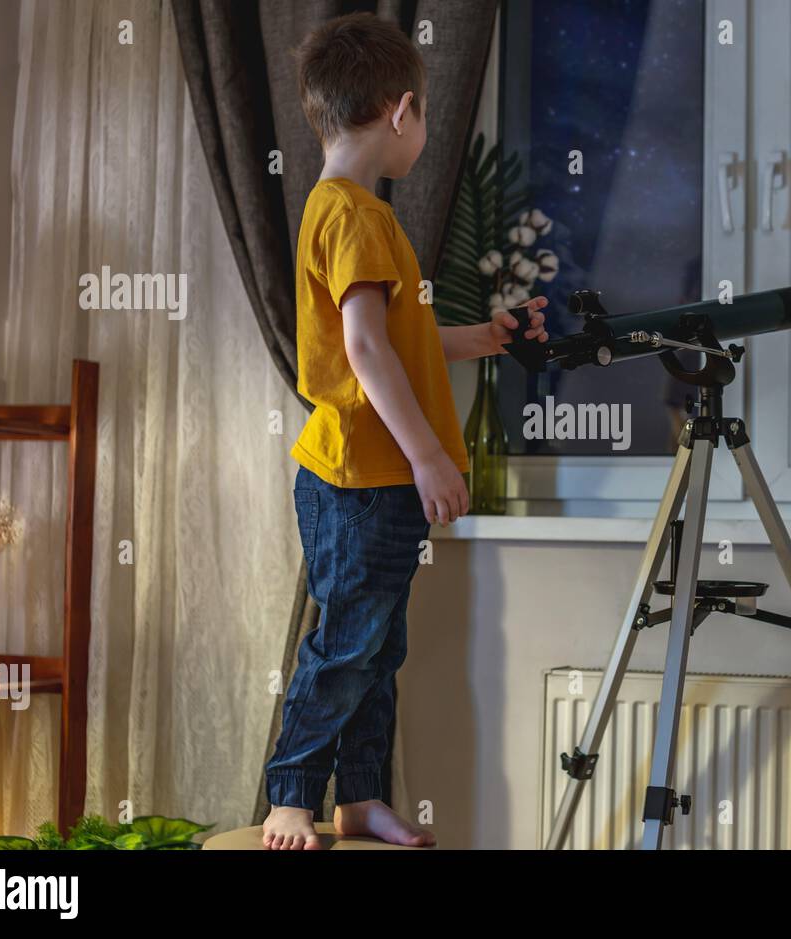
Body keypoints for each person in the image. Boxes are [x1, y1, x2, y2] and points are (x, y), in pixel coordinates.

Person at [262, 12, 547, 850]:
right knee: (348, 644)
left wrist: (481, 338)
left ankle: (357, 796)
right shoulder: (353, 216)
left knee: (377, 648)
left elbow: (400, 340)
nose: (421, 131)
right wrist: (427, 453)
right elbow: (361, 346)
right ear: (402, 110)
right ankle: (291, 794)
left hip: (367, 480)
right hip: (361, 477)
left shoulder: (356, 214)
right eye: (422, 117)